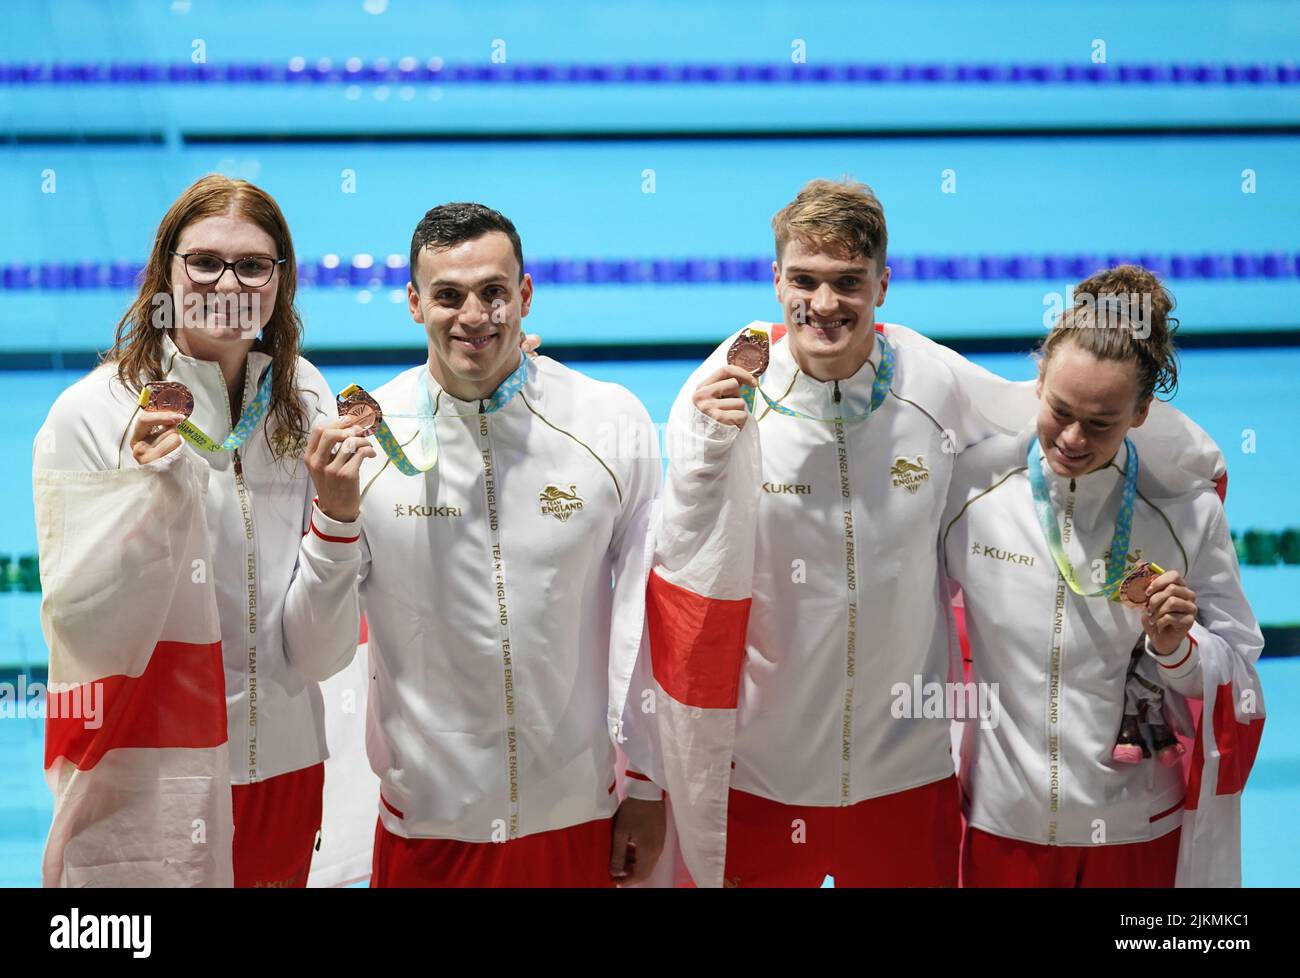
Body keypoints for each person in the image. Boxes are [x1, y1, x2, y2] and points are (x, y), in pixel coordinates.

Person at [645, 178, 1228, 888]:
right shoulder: (723, 400)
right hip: (764, 770)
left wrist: (1192, 468)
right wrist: (703, 450)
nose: (824, 304)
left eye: (848, 283)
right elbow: (672, 574)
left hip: (906, 775)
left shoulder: (932, 379)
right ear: (775, 281)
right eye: (804, 280)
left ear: (883, 285)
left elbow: (1045, 412)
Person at [283, 202, 666, 887]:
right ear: (413, 304)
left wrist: (644, 786)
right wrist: (335, 519)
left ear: (524, 293)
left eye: (494, 291)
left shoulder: (609, 424)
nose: (474, 315)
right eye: (448, 295)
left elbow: (648, 620)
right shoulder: (363, 443)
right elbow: (316, 651)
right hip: (428, 830)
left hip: (576, 819)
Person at [32, 174, 368, 887]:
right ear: (166, 272)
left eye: (253, 264)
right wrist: (145, 498)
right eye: (204, 261)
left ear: (281, 281)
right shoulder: (91, 414)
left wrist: (338, 521)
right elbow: (81, 632)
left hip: (283, 768)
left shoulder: (303, 398)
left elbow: (318, 653)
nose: (229, 282)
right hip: (149, 770)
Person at [941, 265, 1265, 887]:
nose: (1071, 438)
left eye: (1101, 423)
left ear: (1142, 411)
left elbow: (1242, 675)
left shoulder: (1183, 514)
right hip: (1004, 827)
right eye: (1060, 410)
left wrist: (1177, 650)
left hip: (1137, 830)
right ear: (1037, 378)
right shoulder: (972, 489)